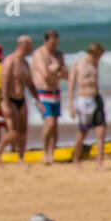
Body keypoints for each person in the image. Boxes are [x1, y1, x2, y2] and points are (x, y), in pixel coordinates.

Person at [0, 35, 38, 166]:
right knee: (14, 131)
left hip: (21, 99)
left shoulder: (25, 63)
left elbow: (29, 83)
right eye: (30, 45)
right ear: (23, 45)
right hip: (9, 99)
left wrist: (38, 100)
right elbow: (4, 83)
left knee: (23, 130)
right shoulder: (10, 61)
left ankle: (21, 158)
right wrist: (6, 104)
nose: (31, 48)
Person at [68, 42, 108, 169]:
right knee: (83, 132)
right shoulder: (78, 64)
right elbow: (70, 86)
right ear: (93, 53)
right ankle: (75, 159)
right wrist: (71, 105)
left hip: (96, 97)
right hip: (83, 99)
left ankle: (99, 163)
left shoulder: (95, 64)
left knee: (101, 131)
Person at [30, 29, 67, 166]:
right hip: (42, 91)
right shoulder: (39, 54)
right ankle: (44, 151)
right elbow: (45, 74)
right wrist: (57, 70)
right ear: (46, 41)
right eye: (52, 44)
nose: (54, 46)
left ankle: (51, 152)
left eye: (55, 43)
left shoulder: (58, 55)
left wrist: (56, 70)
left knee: (55, 125)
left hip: (55, 91)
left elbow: (66, 75)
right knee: (49, 122)